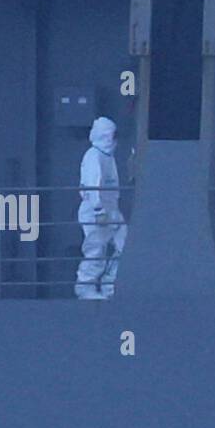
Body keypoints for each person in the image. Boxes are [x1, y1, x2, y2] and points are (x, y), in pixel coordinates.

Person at [74, 117, 127, 300]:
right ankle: (85, 288)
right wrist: (99, 211)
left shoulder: (107, 156)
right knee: (96, 251)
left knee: (125, 245)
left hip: (111, 209)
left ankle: (109, 285)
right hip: (96, 211)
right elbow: (92, 185)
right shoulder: (93, 156)